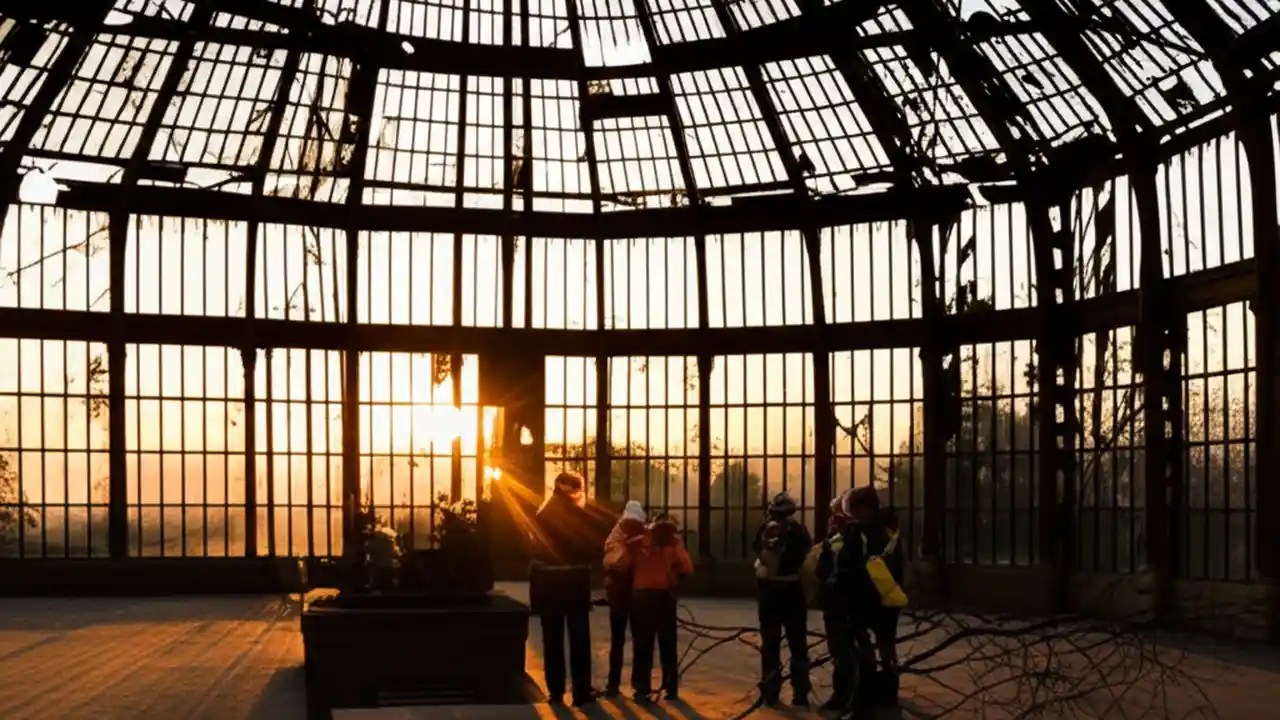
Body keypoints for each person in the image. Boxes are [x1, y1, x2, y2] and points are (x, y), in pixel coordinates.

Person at [530, 472, 600, 707]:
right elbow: (592, 547)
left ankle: (556, 691)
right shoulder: (580, 517)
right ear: (570, 489)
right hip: (574, 582)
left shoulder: (542, 514)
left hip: (547, 584)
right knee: (579, 637)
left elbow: (535, 549)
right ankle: (581, 691)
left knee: (552, 640)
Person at [753, 491, 814, 707]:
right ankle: (800, 692)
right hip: (790, 591)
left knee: (771, 643)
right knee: (797, 643)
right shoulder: (798, 530)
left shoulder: (770, 529)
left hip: (772, 591)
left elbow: (758, 552)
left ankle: (772, 690)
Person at [629, 513, 693, 703]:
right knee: (667, 644)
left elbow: (621, 563)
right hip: (664, 598)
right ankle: (670, 688)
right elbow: (687, 568)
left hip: (640, 598)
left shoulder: (637, 543)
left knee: (642, 645)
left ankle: (641, 689)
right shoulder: (673, 543)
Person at [602, 500, 647, 696]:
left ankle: (640, 684)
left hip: (639, 591)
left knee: (641, 639)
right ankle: (613, 683)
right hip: (619, 591)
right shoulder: (616, 534)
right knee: (618, 639)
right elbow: (611, 558)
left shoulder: (646, 534)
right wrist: (628, 548)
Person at [816, 491, 854, 712]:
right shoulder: (836, 541)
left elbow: (837, 573)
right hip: (835, 605)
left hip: (844, 606)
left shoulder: (850, 541)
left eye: (835, 516)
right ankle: (847, 694)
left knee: (844, 652)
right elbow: (823, 569)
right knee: (840, 651)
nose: (831, 520)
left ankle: (845, 696)